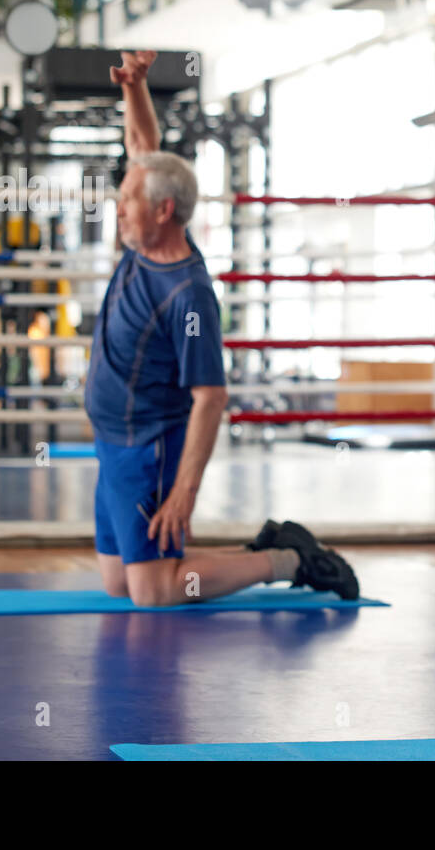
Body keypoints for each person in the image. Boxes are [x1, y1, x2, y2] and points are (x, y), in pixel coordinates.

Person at [85, 49, 359, 606]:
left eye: (128, 200)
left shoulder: (188, 296)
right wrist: (135, 87)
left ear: (164, 211)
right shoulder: (142, 243)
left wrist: (184, 491)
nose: (118, 207)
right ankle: (274, 544)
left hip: (149, 447)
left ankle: (288, 560)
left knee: (154, 592)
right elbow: (142, 150)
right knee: (119, 582)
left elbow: (210, 397)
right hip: (113, 438)